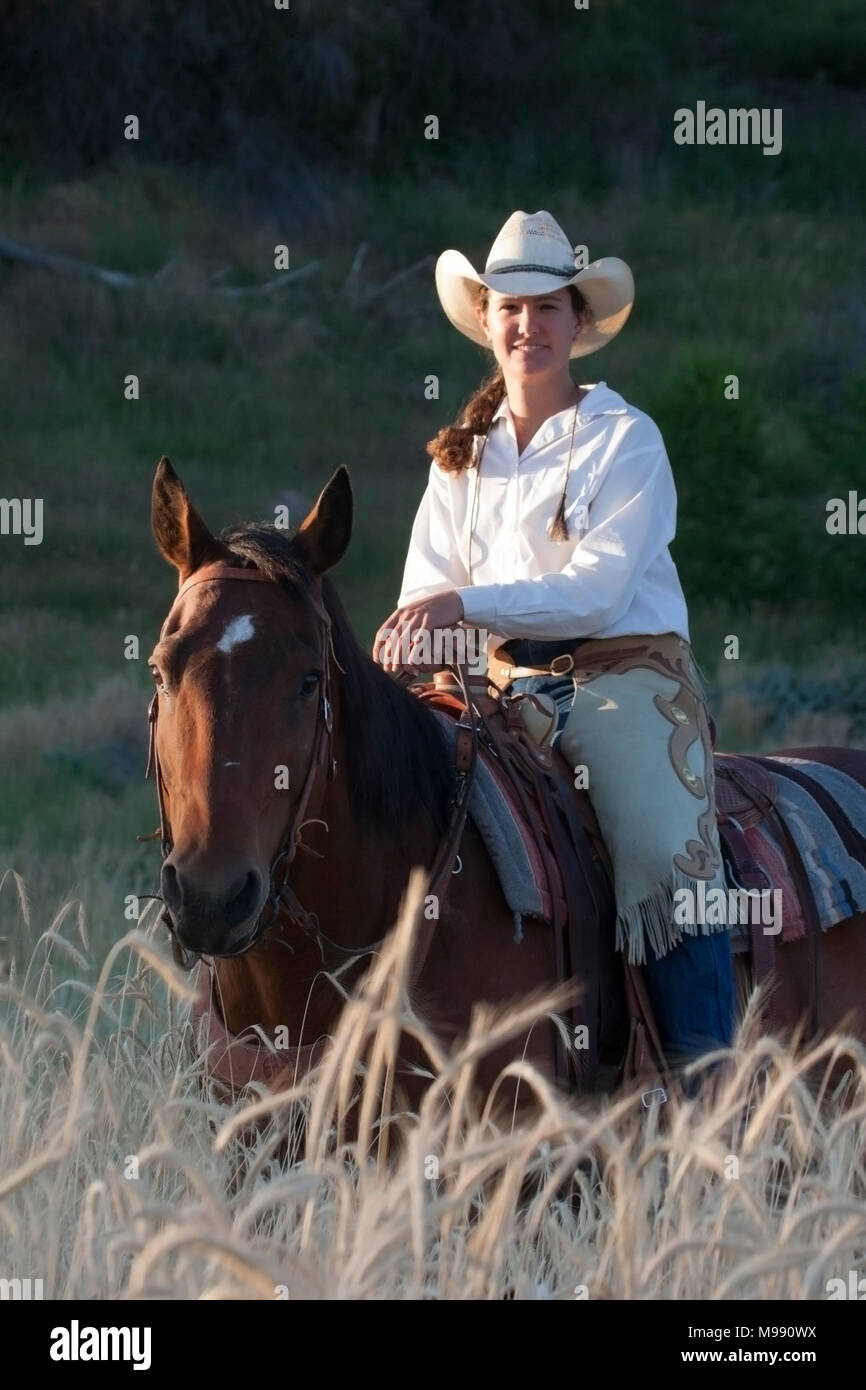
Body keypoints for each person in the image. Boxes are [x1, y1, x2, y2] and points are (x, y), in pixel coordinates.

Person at [372, 209, 735, 1073]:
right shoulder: (459, 458)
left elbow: (597, 593)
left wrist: (462, 603)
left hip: (623, 680)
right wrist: (413, 644)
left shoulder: (626, 439)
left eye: (546, 307)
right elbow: (424, 593)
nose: (526, 325)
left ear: (578, 323)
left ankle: (705, 1076)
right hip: (500, 686)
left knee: (657, 846)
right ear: (488, 322)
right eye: (509, 307)